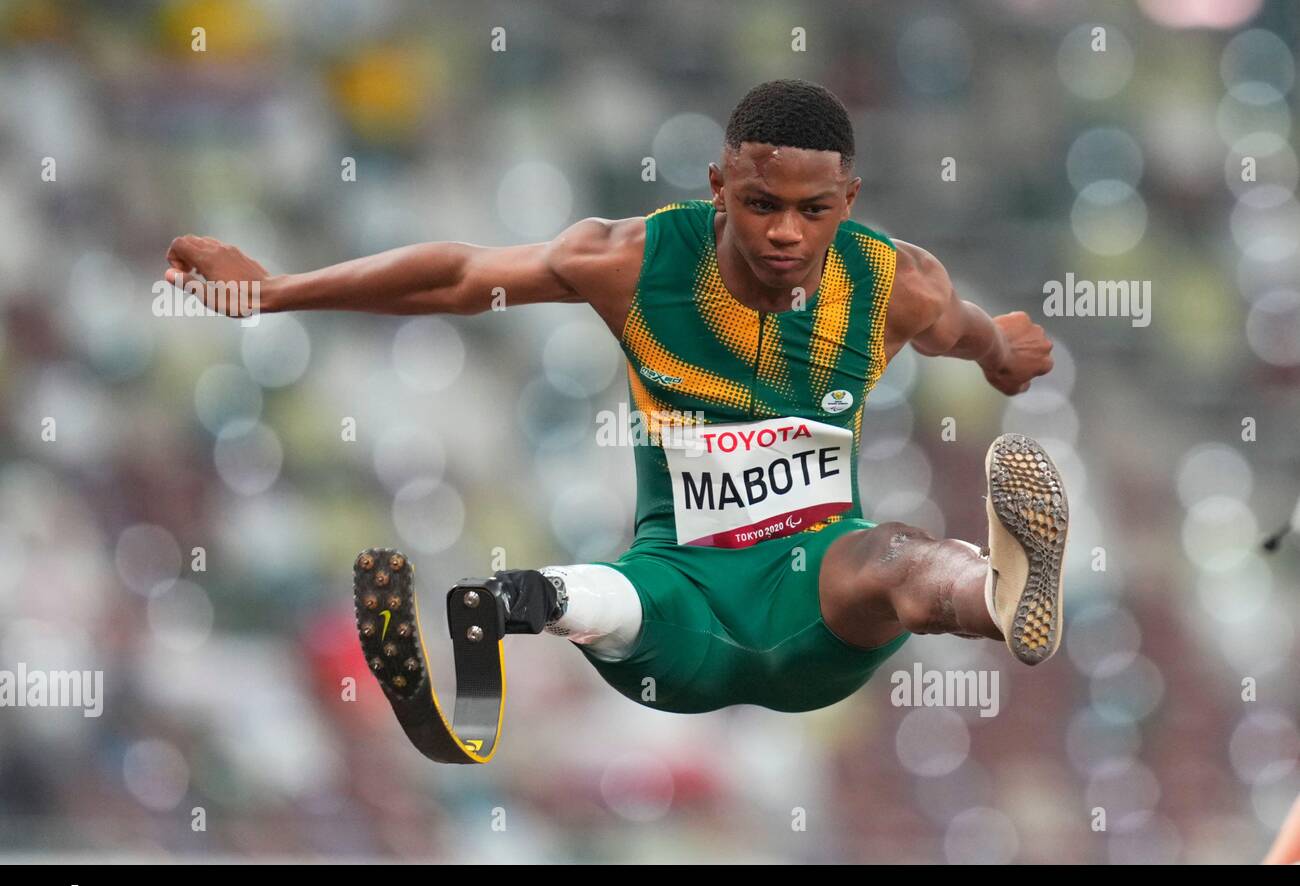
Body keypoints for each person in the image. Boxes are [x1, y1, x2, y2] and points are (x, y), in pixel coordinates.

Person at [164, 78, 1066, 717]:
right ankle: (526, 601)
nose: (787, 231)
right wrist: (277, 289)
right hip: (678, 608)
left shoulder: (889, 280)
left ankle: (1002, 596)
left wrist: (998, 354)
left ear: (850, 197)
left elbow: (962, 328)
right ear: (719, 185)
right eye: (760, 203)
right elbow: (460, 277)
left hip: (819, 613)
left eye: (815, 208)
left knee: (899, 554)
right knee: (629, 599)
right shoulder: (631, 260)